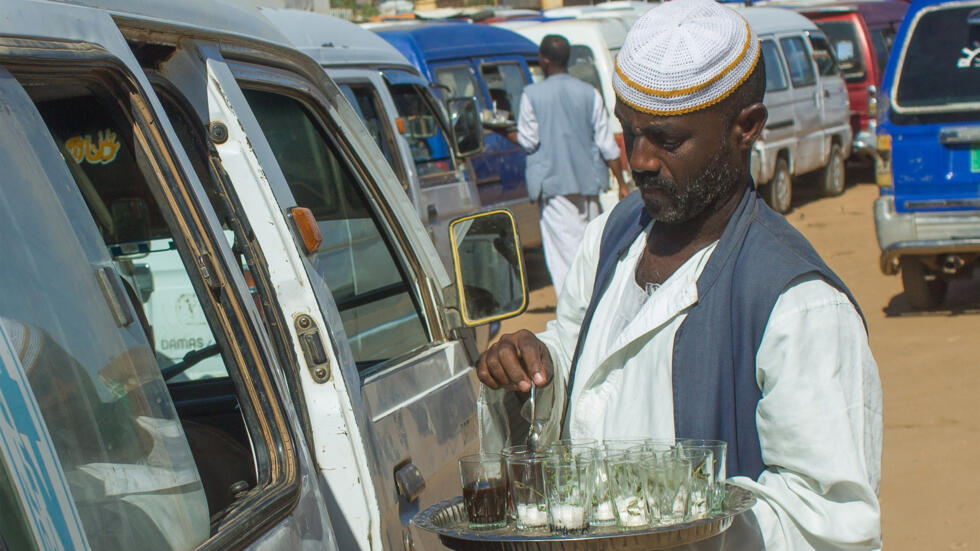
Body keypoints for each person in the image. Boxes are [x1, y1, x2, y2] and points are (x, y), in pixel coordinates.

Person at [477, 1, 882, 549]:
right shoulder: (613, 236)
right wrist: (539, 365)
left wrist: (682, 526)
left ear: (747, 128)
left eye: (666, 141)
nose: (640, 160)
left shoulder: (798, 305)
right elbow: (580, 349)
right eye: (628, 133)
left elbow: (829, 524)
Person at [507, 34, 627, 295]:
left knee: (564, 257)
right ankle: (596, 300)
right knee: (590, 248)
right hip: (588, 185)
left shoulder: (532, 95)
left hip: (554, 187)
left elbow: (528, 141)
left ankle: (574, 312)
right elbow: (607, 144)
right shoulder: (589, 93)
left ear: (544, 60)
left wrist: (501, 131)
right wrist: (621, 183)